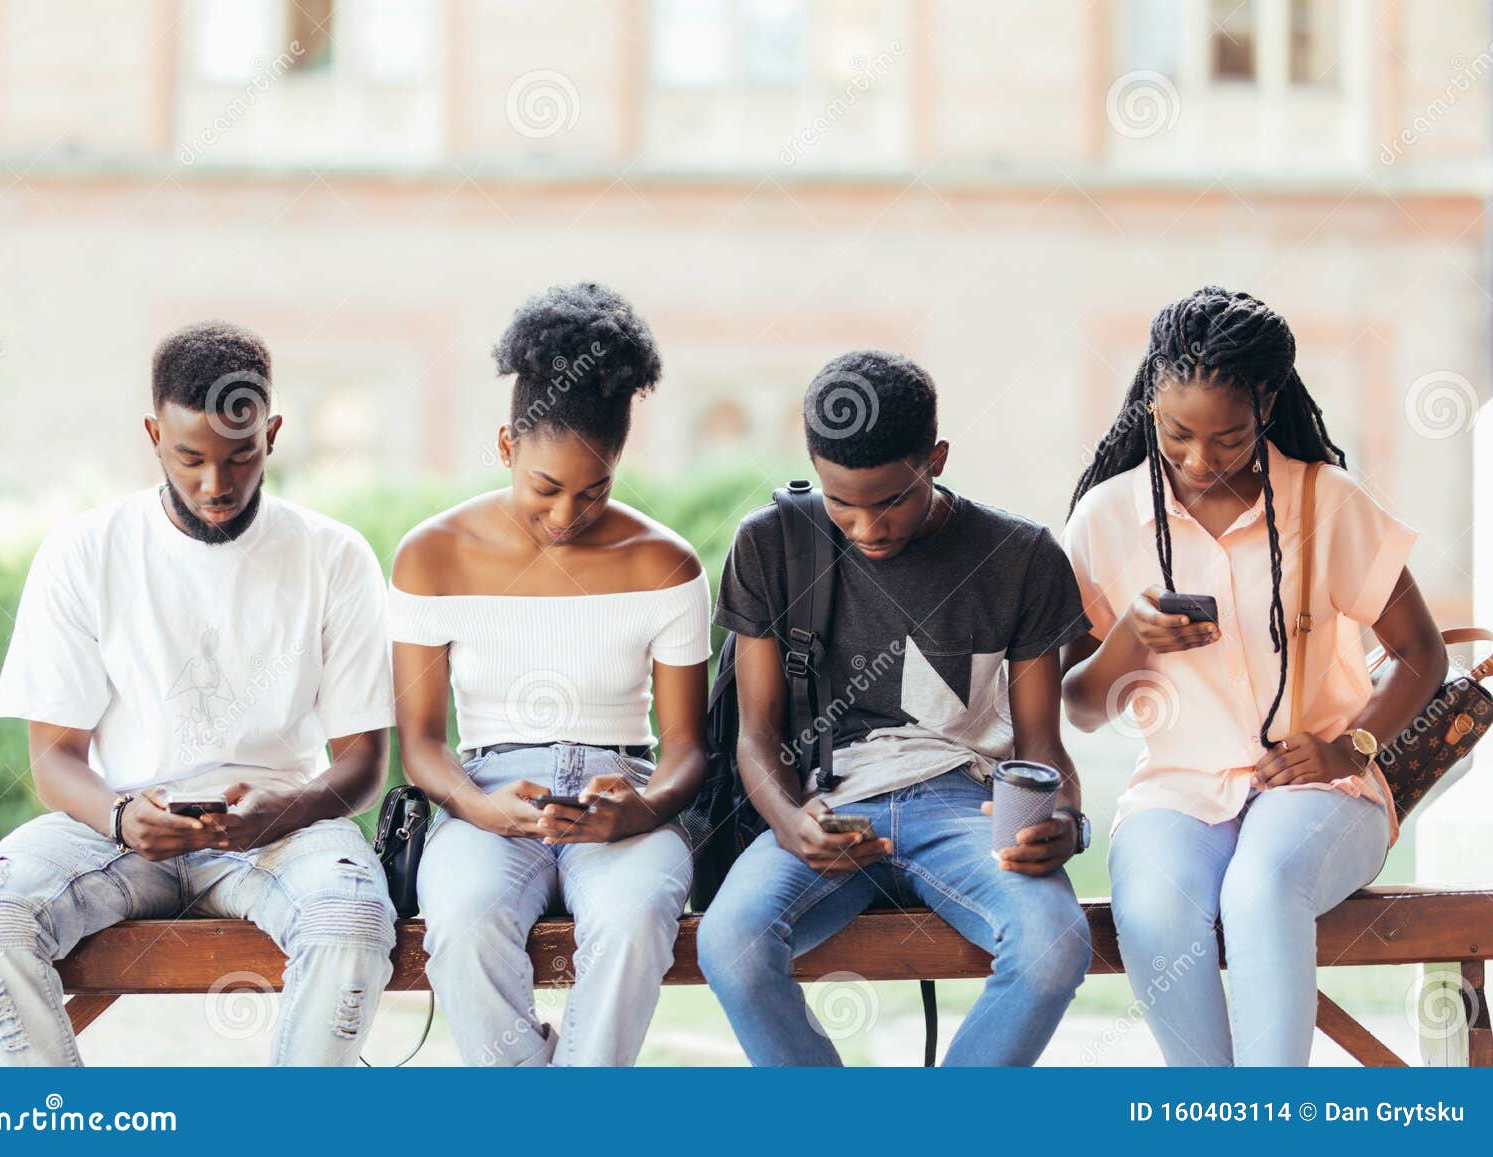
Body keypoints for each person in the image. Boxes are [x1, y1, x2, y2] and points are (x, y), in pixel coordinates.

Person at [0, 321, 397, 1066]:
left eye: (239, 455)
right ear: (153, 434)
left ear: (274, 434)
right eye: (189, 458)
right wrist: (121, 816)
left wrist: (281, 809)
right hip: (115, 816)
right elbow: (54, 757)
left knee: (350, 917)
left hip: (280, 824)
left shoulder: (334, 555)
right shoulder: (83, 552)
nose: (215, 484)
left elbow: (362, 764)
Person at [1061, 286, 1447, 1066]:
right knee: (1157, 909)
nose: (1199, 462)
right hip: (1177, 788)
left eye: (1228, 441)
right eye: (1175, 437)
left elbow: (1421, 655)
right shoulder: (1106, 517)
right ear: (1149, 406)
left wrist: (1352, 746)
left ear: (1266, 404)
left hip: (1319, 790)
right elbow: (1081, 705)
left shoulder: (1326, 501)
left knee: (1260, 888)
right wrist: (1129, 641)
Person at [696, 349, 1094, 1066]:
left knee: (1054, 943)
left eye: (891, 501)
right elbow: (754, 734)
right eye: (842, 502)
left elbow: (1042, 745)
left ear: (935, 459)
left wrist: (1065, 818)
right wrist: (791, 823)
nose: (868, 527)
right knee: (729, 940)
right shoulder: (771, 545)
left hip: (967, 805)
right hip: (830, 803)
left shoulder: (1021, 555)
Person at [390, 282, 709, 1066]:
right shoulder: (430, 557)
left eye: (595, 489)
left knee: (636, 918)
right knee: (461, 922)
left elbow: (687, 752)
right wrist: (476, 806)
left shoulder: (664, 564)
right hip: (489, 791)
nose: (569, 515)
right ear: (506, 447)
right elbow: (423, 746)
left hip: (618, 791)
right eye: (545, 488)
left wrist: (635, 811)